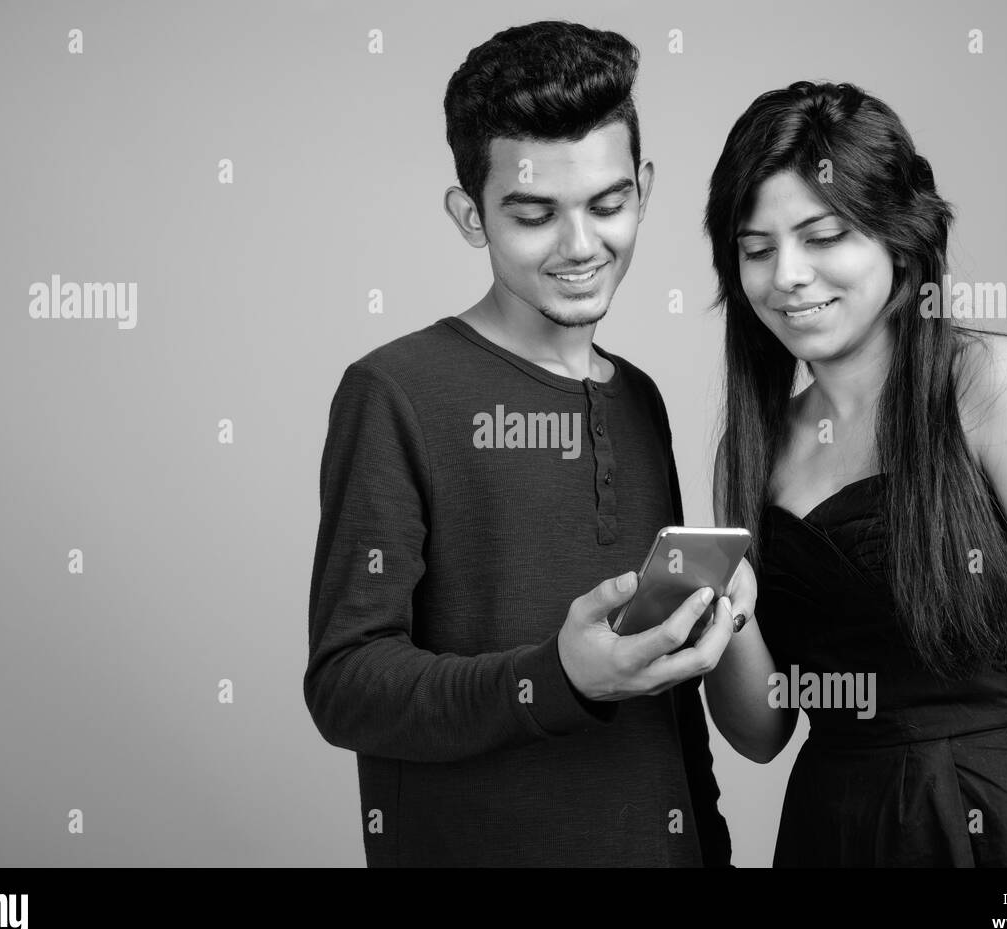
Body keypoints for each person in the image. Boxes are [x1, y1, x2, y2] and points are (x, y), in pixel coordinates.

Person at [303, 20, 736, 867]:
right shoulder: (394, 391)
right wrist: (555, 678)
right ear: (471, 215)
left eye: (608, 205)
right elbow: (345, 684)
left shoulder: (640, 398)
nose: (581, 247)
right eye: (535, 215)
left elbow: (674, 708)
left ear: (644, 189)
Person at [701, 81, 1007, 866]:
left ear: (897, 237)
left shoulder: (997, 389)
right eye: (757, 249)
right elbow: (762, 732)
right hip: (827, 829)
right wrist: (724, 616)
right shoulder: (752, 451)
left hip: (991, 818)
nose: (788, 276)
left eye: (823, 235)